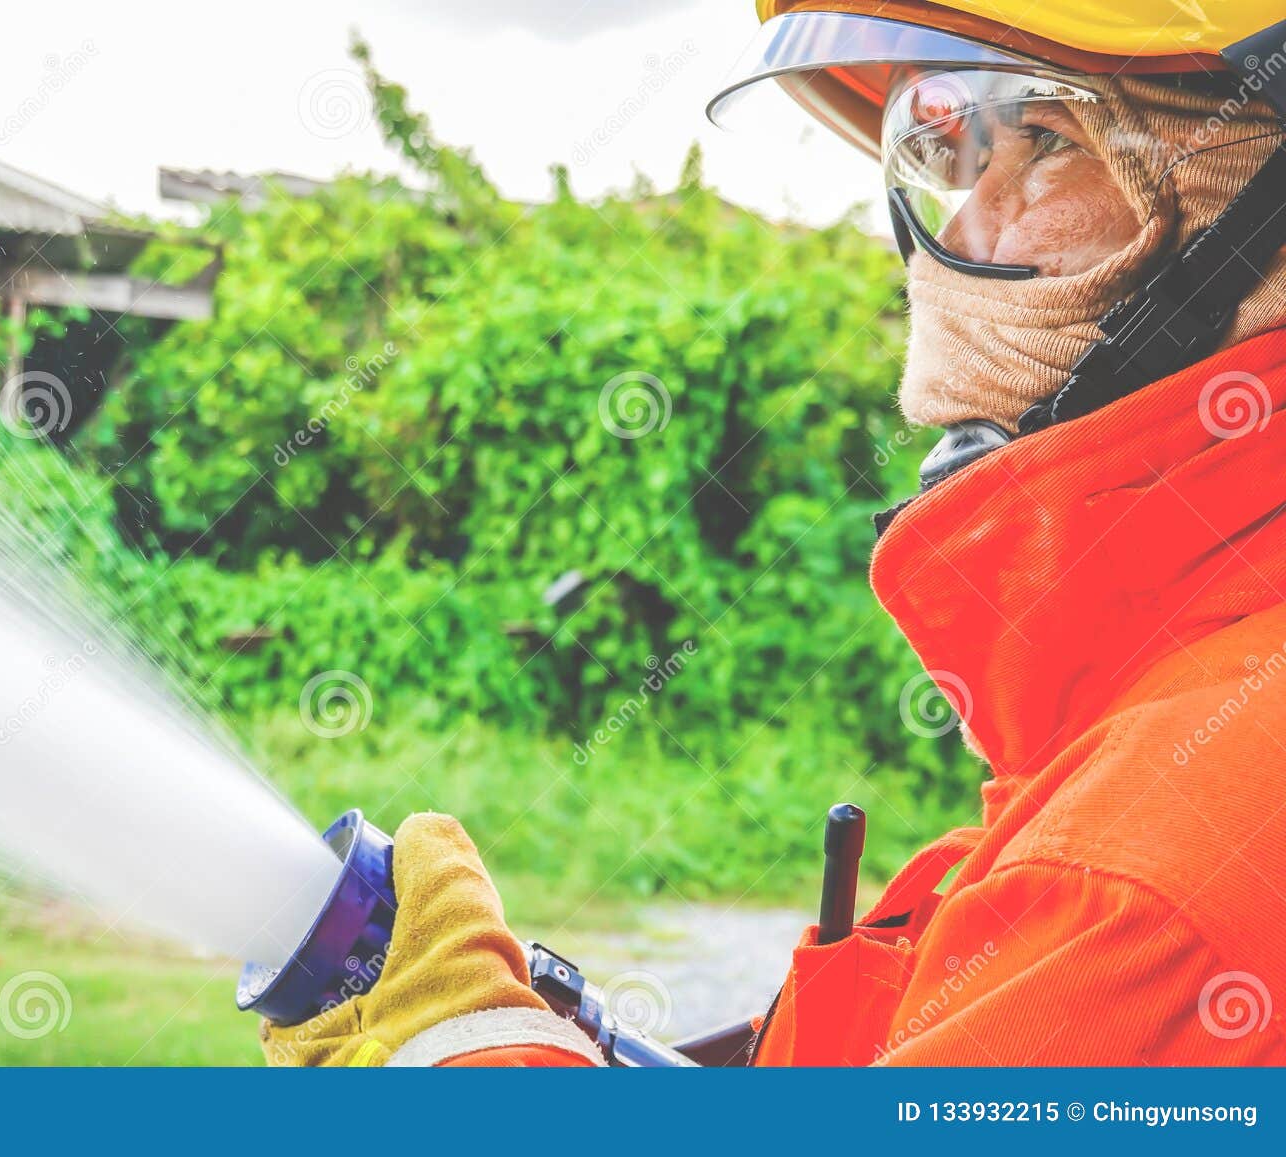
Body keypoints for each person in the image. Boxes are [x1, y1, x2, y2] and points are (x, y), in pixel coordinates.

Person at [264, 1, 1286, 1066]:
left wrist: (462, 1060)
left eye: (1044, 142)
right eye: (962, 151)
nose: (965, 230)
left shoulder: (1136, 893)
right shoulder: (1120, 755)